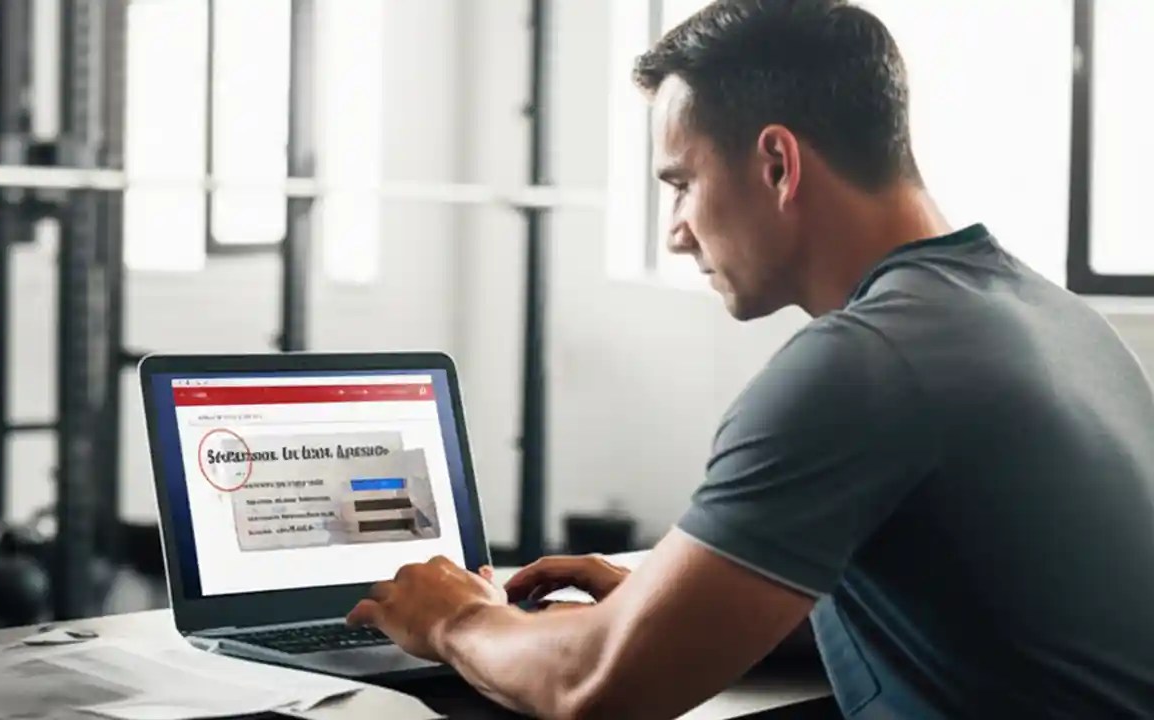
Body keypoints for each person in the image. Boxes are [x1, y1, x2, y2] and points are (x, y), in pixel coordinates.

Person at [345, 0, 1154, 717]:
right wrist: (676, 607)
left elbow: (595, 689)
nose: (675, 229)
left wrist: (453, 619)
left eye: (681, 183)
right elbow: (972, 611)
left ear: (777, 164)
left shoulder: (864, 363)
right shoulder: (1053, 317)